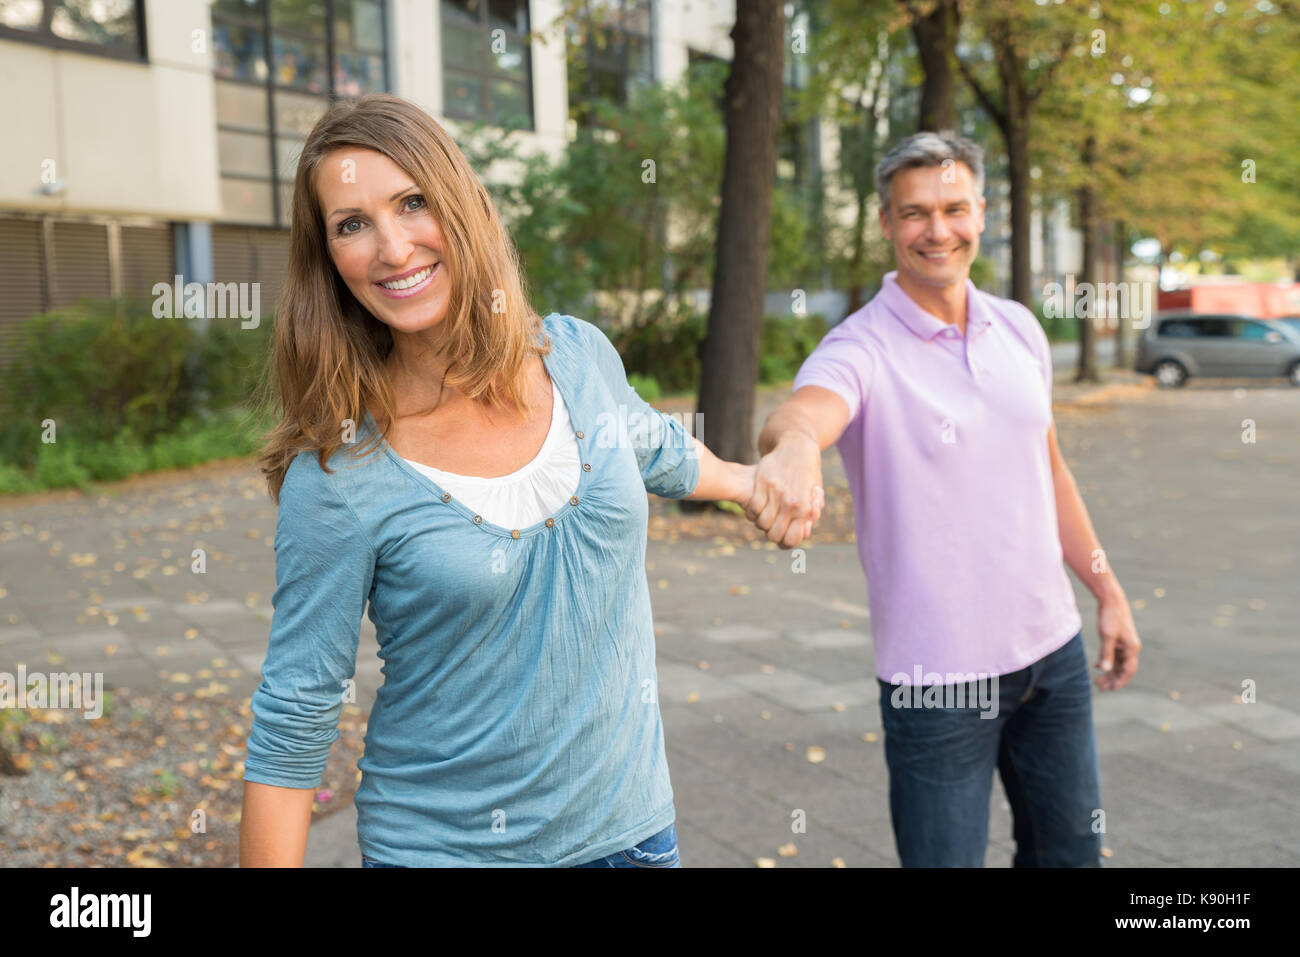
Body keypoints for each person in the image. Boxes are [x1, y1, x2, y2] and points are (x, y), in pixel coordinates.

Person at [238, 93, 757, 867]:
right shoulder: (339, 473)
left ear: (465, 203)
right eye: (352, 224)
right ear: (329, 259)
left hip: (635, 839)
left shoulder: (578, 359)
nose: (392, 246)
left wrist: (759, 485)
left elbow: (666, 452)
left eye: (413, 202)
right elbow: (296, 714)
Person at [748, 131, 1142, 867]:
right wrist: (797, 444)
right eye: (914, 212)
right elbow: (802, 412)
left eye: (954, 208)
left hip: (1053, 657)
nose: (937, 230)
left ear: (983, 213)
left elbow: (1049, 472)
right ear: (886, 223)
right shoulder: (858, 349)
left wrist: (1106, 589)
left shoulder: (1019, 329)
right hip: (938, 683)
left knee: (1072, 857)